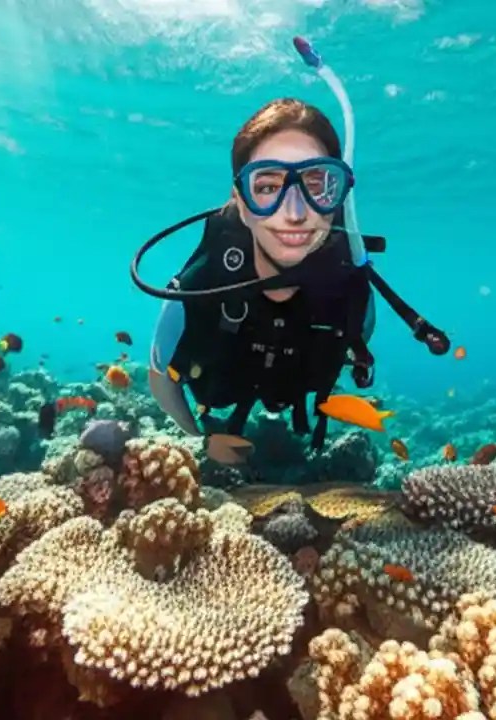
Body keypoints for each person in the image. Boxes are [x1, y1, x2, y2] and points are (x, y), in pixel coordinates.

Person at [130, 38, 448, 451]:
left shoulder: (354, 295)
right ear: (239, 202)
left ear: (338, 201)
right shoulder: (197, 288)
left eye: (318, 184)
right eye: (267, 186)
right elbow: (161, 379)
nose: (295, 212)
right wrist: (199, 441)